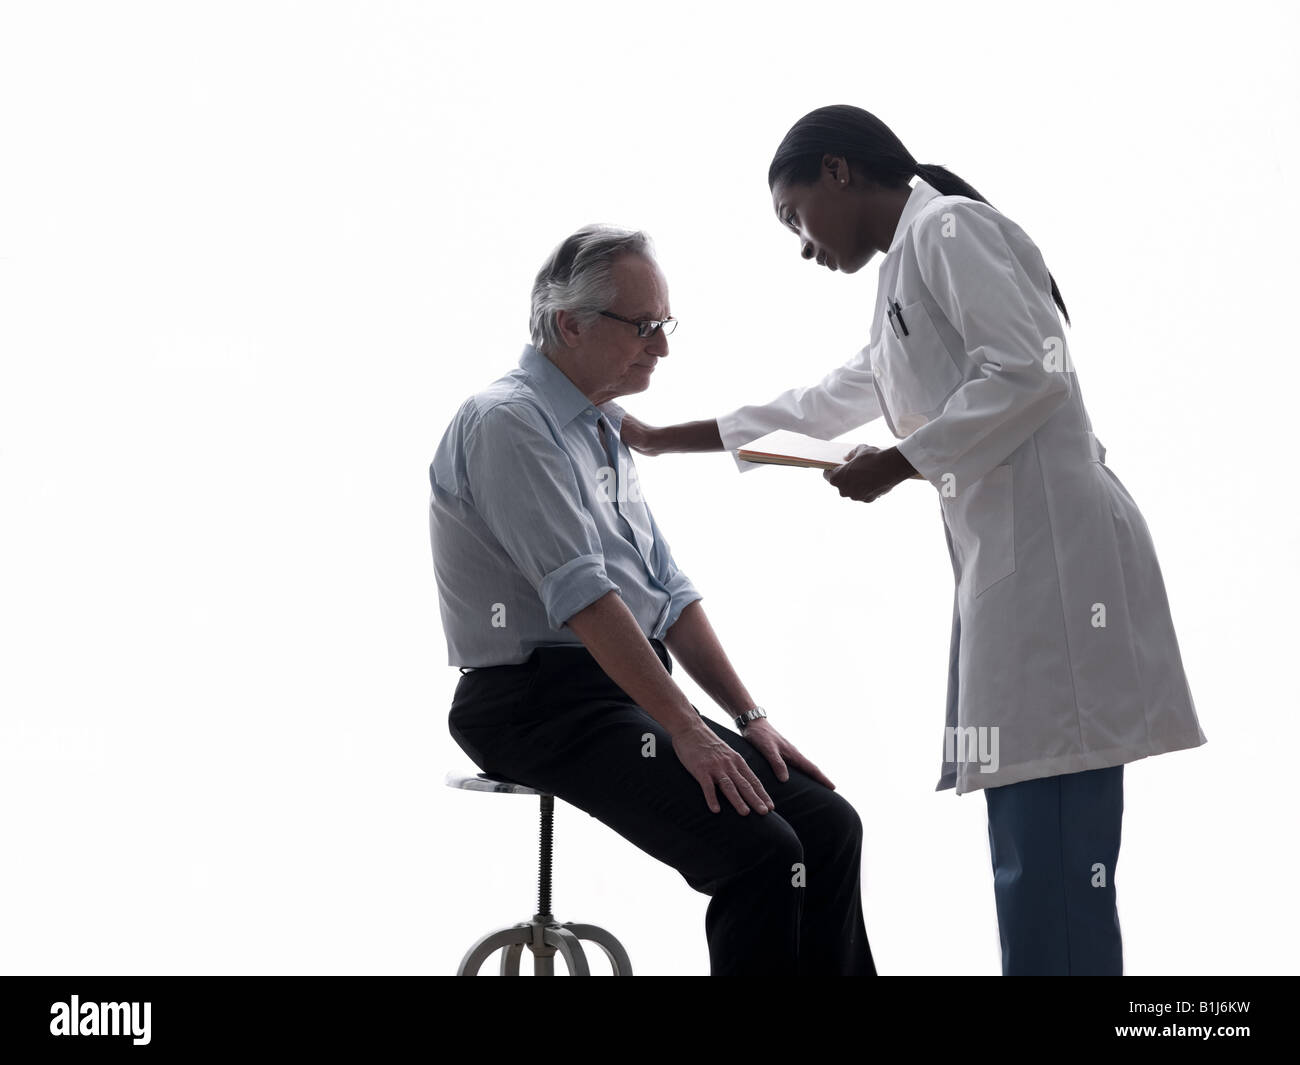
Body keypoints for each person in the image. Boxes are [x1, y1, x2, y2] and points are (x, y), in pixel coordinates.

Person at [620, 105, 1208, 976]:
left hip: (1058, 573)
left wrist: (902, 459)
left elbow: (1033, 370)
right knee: (1026, 840)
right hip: (1015, 576)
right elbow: (816, 404)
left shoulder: (949, 229)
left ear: (838, 172)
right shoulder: (902, 280)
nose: (805, 245)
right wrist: (665, 436)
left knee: (1051, 840)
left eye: (796, 216)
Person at [427, 224, 876, 976]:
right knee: (760, 855)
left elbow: (666, 592)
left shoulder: (599, 424)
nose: (661, 347)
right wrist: (687, 732)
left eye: (663, 325)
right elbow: (589, 600)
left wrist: (747, 718)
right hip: (534, 703)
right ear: (569, 323)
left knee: (827, 825)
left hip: (626, 687)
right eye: (643, 327)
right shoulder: (508, 423)